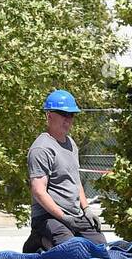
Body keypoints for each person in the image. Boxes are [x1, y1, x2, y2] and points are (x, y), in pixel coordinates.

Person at [27, 90, 106, 250]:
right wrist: (64, 217)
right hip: (48, 217)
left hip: (74, 215)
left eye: (71, 115)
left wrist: (87, 209)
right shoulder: (41, 148)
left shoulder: (71, 144)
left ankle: (68, 236)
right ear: (49, 116)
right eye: (63, 114)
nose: (68, 119)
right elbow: (39, 191)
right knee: (72, 250)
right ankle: (39, 240)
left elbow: (75, 181)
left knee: (100, 248)